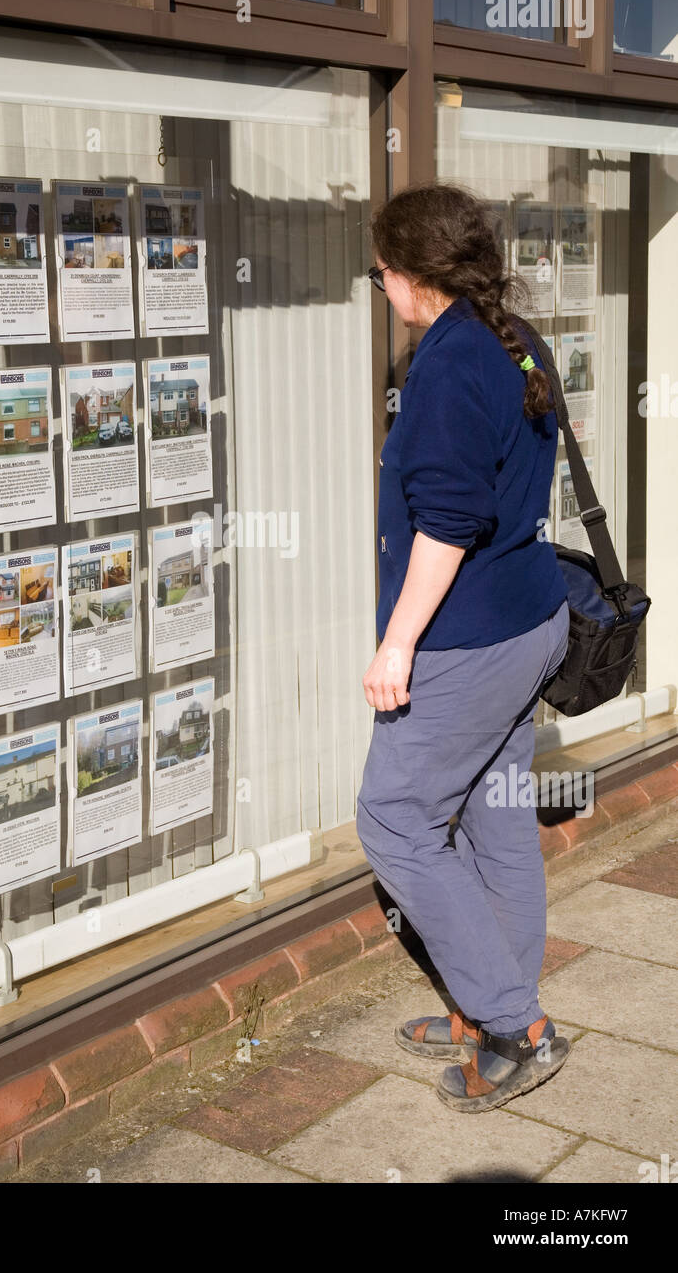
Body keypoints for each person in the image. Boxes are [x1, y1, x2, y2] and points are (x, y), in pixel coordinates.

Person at [357, 183, 571, 1113]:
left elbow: (448, 523)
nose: (382, 290)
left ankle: (515, 1028)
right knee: (494, 817)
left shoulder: (447, 367)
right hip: (531, 618)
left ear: (410, 278)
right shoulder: (516, 336)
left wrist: (395, 647)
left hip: (468, 638)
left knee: (394, 819)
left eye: (379, 276)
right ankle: (498, 1007)